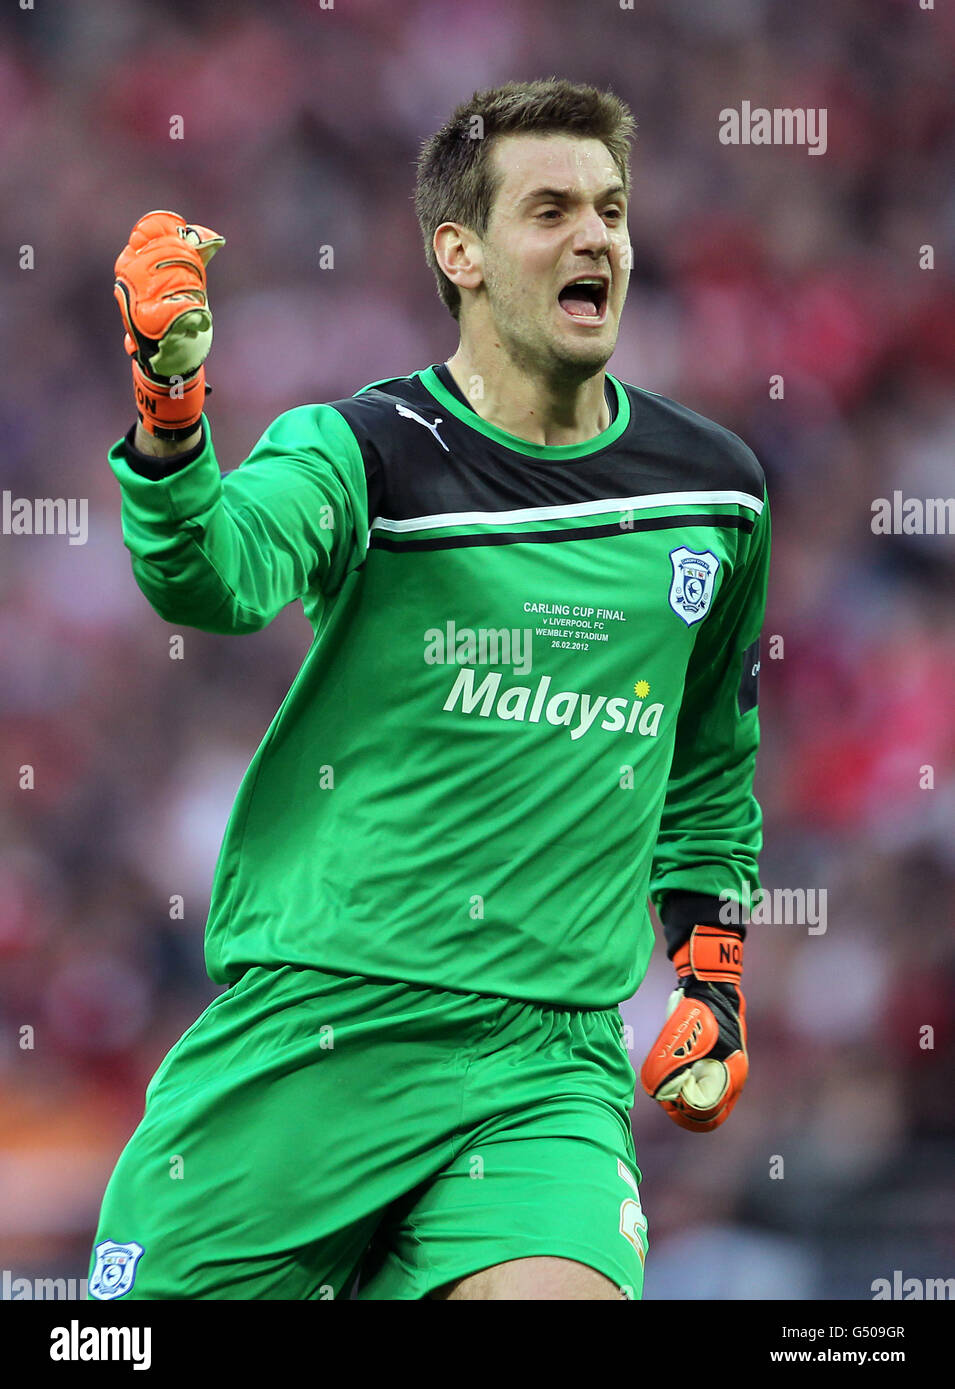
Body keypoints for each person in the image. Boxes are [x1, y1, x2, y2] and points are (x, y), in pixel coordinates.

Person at [89, 77, 769, 1302]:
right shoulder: (362, 448)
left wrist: (710, 971)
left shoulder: (713, 494)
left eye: (610, 209)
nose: (596, 239)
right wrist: (172, 419)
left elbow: (709, 764)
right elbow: (214, 579)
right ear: (459, 252)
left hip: (544, 1058)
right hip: (318, 1030)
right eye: (550, 209)